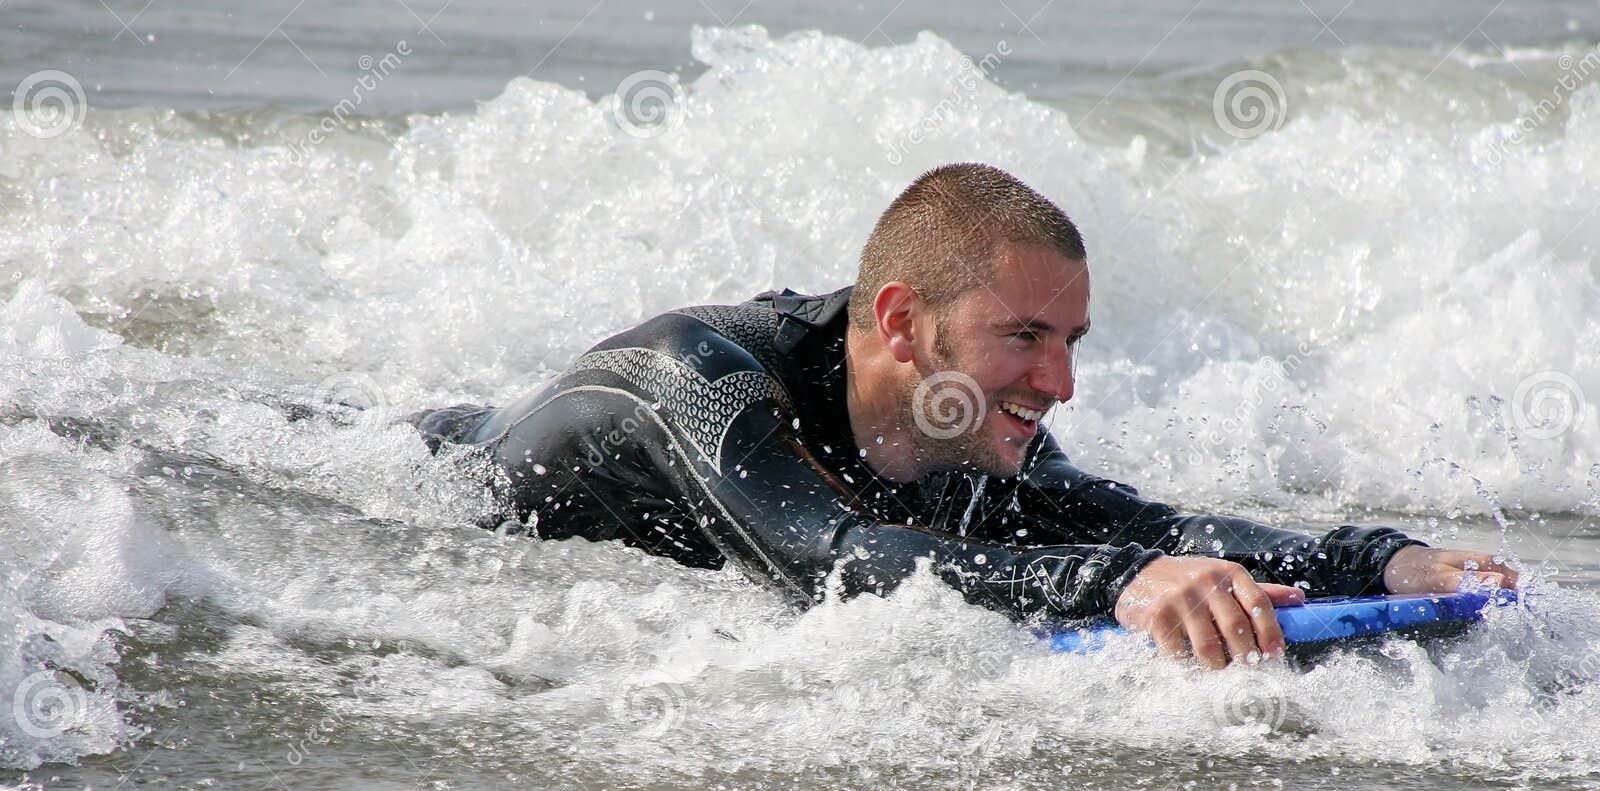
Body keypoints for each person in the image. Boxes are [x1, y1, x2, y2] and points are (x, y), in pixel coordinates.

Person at [413, 162, 1517, 668]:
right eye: (1025, 338)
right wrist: (1113, 588)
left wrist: (1380, 561)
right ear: (903, 322)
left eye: (1071, 342)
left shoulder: (959, 417)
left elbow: (1125, 522)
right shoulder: (693, 374)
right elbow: (821, 557)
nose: (1060, 383)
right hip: (415, 478)